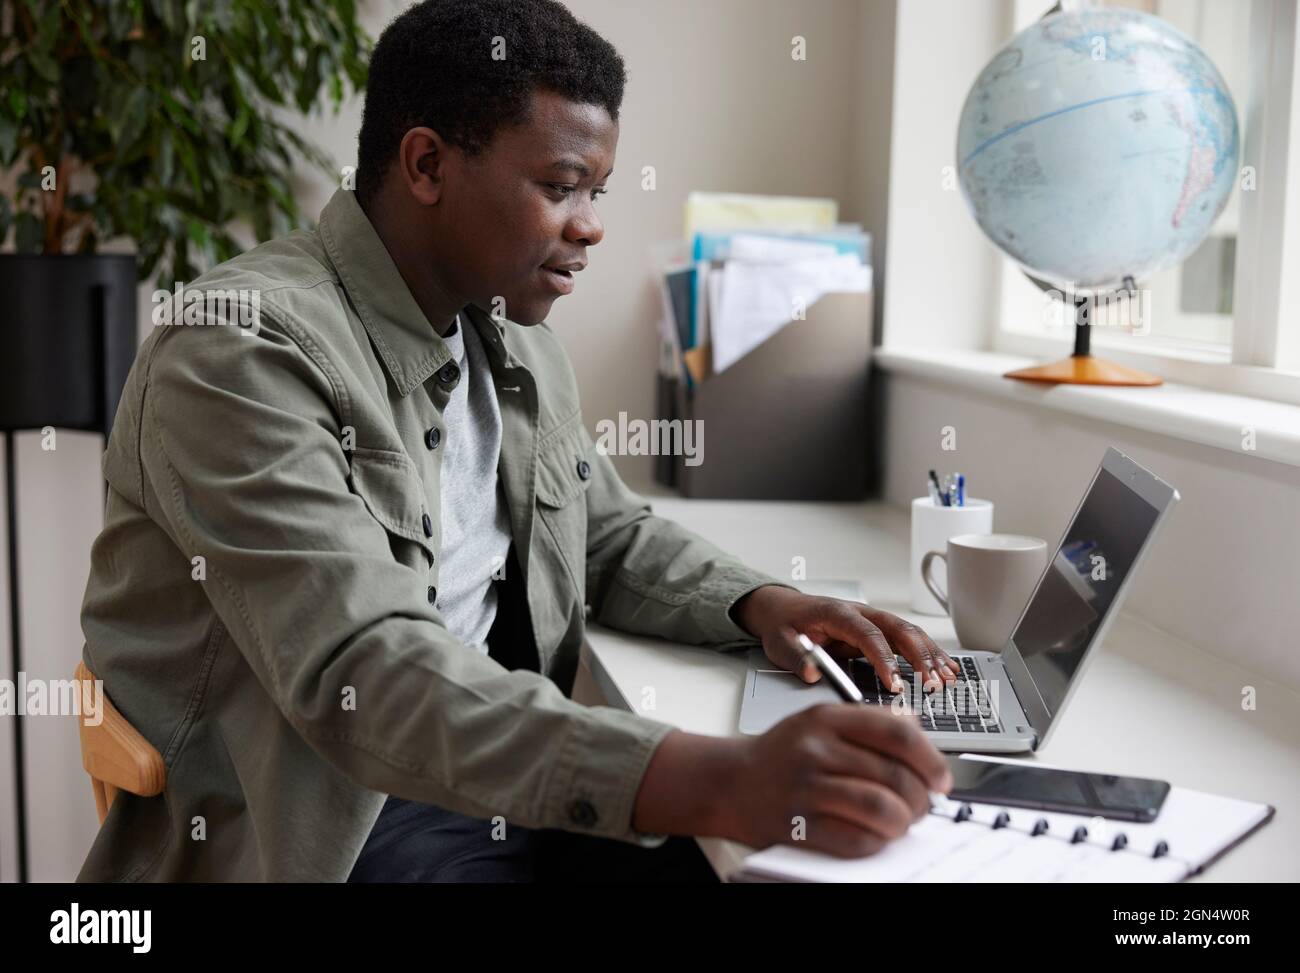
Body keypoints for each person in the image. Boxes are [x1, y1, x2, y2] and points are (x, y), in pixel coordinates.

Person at [78, 0, 957, 883]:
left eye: (598, 192)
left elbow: (603, 532)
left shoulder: (510, 328)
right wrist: (724, 776)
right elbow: (361, 665)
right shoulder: (239, 350)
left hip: (486, 779)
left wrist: (767, 606)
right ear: (426, 164)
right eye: (561, 185)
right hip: (335, 822)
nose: (592, 224)